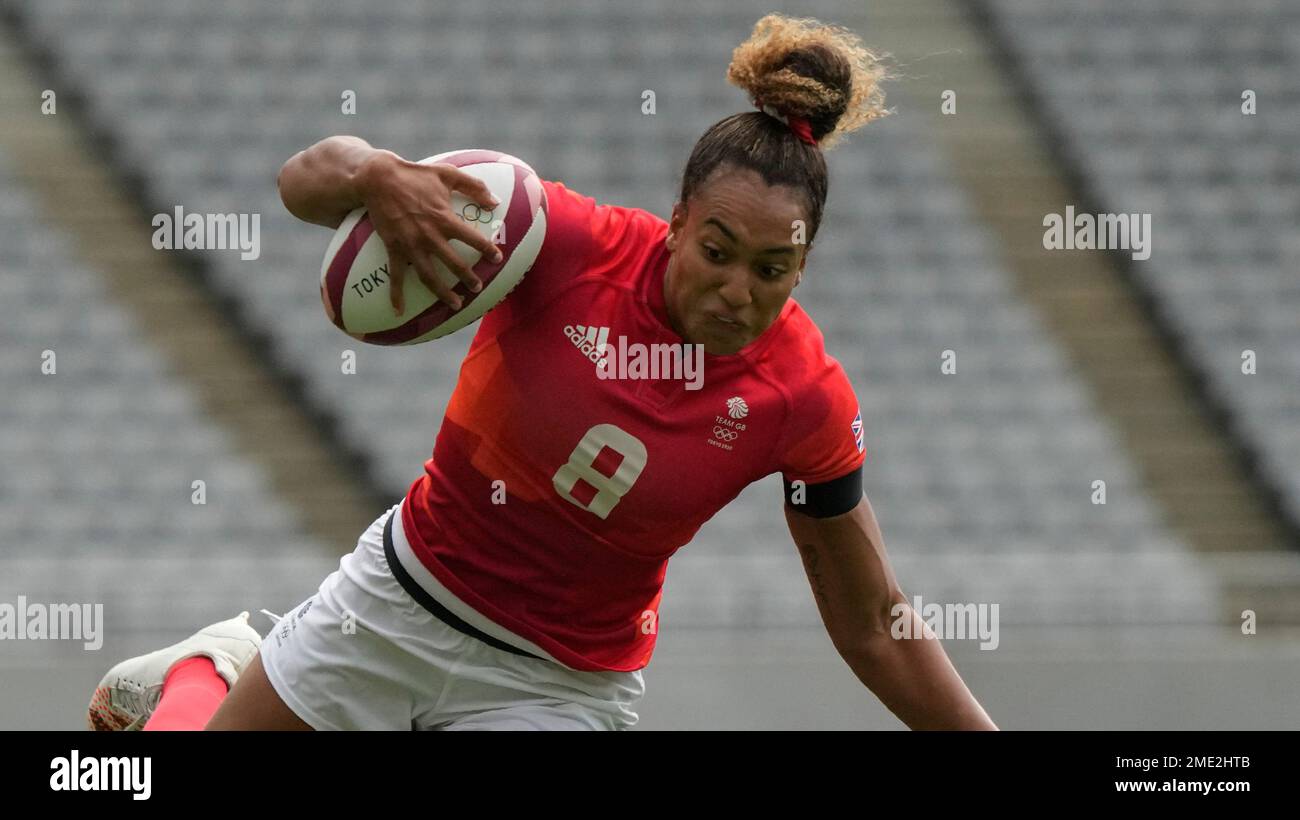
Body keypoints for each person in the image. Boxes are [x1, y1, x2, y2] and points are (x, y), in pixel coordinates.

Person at [89, 13, 996, 731]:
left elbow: (873, 620)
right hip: (401, 597)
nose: (734, 291)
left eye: (769, 271)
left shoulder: (804, 397)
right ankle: (211, 667)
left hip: (558, 686)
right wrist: (373, 173)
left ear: (802, 270)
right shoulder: (560, 241)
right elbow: (299, 182)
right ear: (677, 221)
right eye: (716, 251)